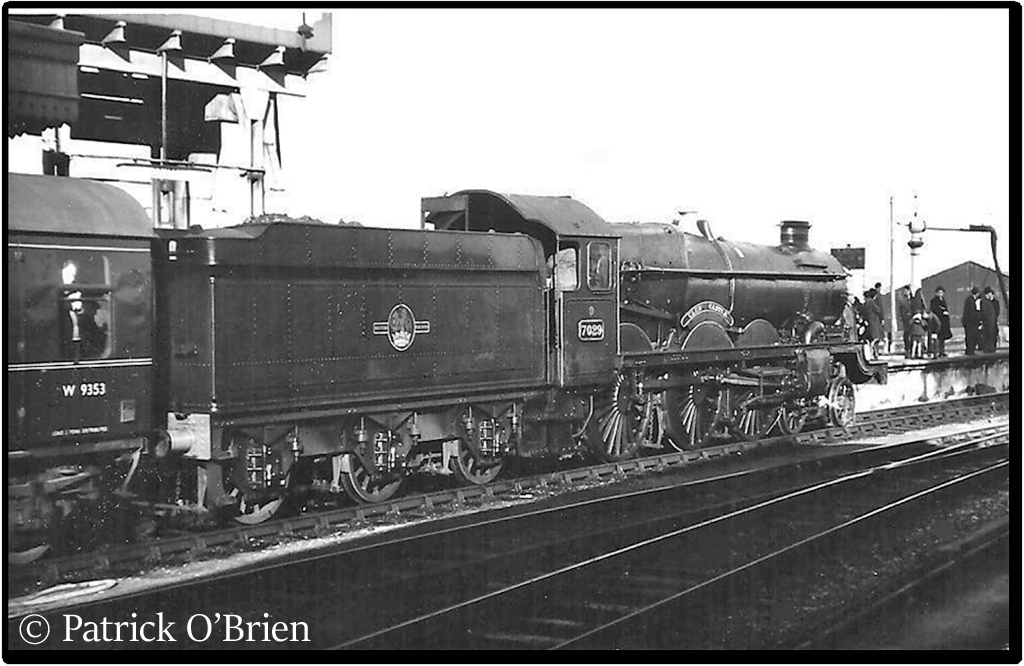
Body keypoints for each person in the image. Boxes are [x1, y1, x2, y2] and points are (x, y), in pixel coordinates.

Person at [929, 286, 952, 357]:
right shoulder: (934, 301)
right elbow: (934, 310)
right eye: (939, 292)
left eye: (941, 292)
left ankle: (942, 351)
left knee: (942, 338)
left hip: (944, 321)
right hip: (938, 321)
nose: (940, 294)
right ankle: (937, 352)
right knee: (938, 337)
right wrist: (942, 312)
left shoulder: (943, 300)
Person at [962, 287, 982, 355]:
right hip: (970, 322)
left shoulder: (969, 300)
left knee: (970, 336)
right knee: (971, 336)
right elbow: (972, 312)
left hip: (969, 322)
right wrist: (977, 320)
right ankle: (970, 350)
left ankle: (970, 350)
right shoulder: (971, 301)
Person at [863, 288, 884, 354]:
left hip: (869, 321)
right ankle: (875, 352)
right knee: (875, 338)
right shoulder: (871, 302)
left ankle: (874, 352)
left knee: (871, 338)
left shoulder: (866, 303)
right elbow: (878, 310)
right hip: (874, 321)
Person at [980, 286, 999, 353]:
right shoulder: (986, 302)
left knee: (991, 336)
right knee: (988, 336)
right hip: (989, 322)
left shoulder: (990, 302)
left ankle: (990, 348)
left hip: (991, 322)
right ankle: (989, 349)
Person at [896, 285, 913, 356]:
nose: (905, 292)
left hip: (912, 318)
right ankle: (907, 349)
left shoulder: (913, 299)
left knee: (913, 334)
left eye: (906, 291)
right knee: (906, 334)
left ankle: (912, 349)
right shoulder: (902, 300)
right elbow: (900, 309)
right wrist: (900, 317)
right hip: (905, 319)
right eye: (904, 291)